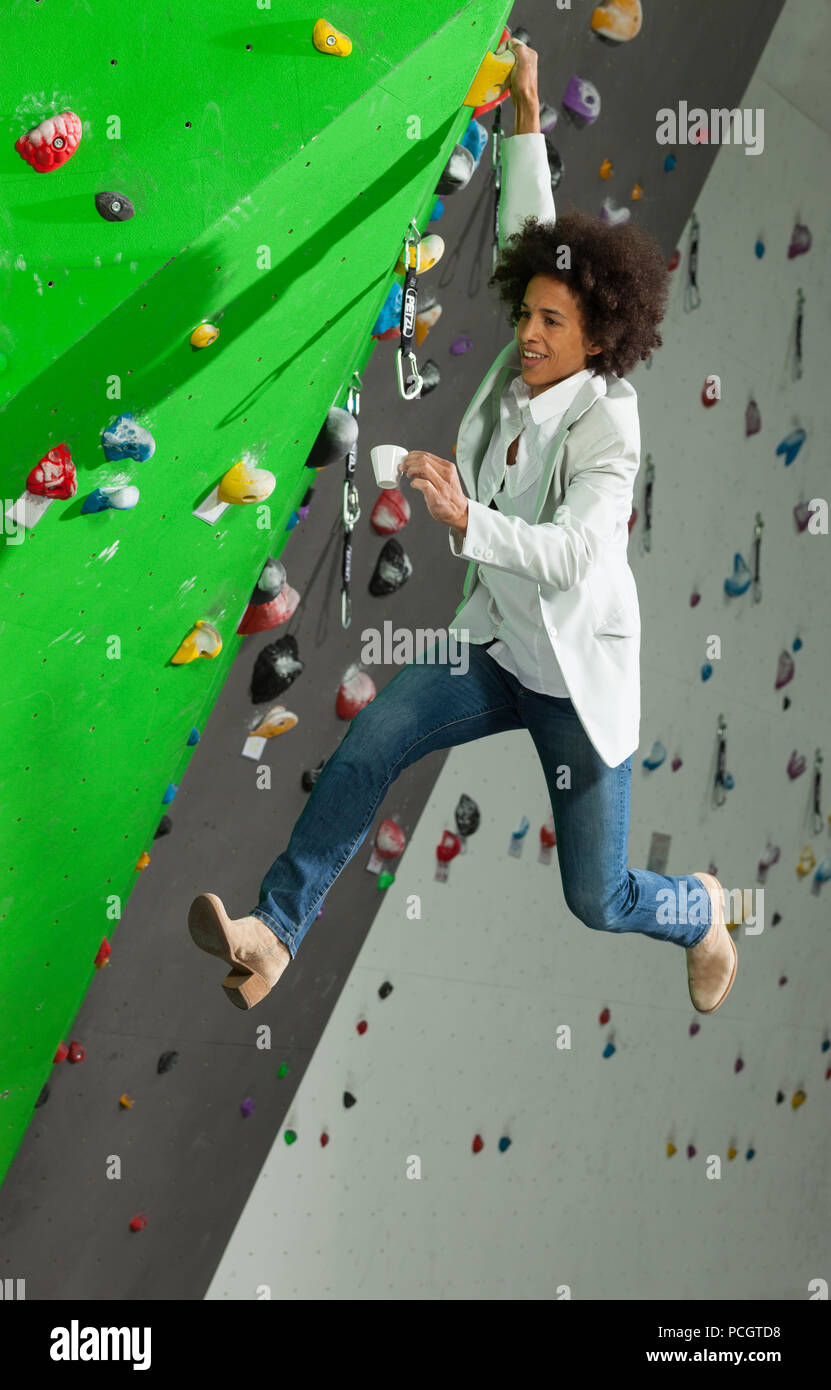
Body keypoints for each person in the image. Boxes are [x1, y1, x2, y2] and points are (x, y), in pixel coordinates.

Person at [188, 39, 737, 1016]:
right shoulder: (528, 361)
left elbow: (575, 555)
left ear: (600, 339)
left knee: (594, 895)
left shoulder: (611, 422)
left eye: (551, 325)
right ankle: (273, 936)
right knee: (377, 738)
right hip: (498, 648)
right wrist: (526, 109)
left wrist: (467, 518)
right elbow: (529, 222)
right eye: (527, 314)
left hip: (573, 677)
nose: (527, 334)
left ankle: (698, 911)